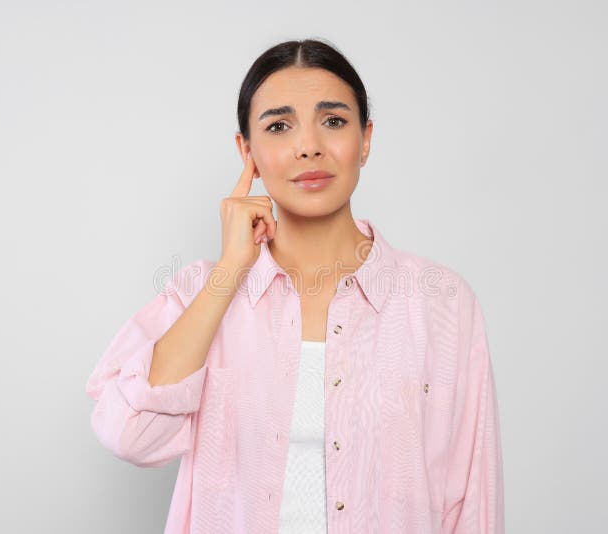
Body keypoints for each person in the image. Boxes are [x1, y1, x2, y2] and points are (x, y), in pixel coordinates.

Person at [85, 38, 505, 534]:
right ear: (248, 152)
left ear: (365, 140)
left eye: (333, 121)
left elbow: (472, 502)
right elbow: (130, 435)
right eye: (279, 126)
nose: (308, 145)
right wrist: (229, 272)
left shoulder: (442, 303)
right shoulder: (199, 291)